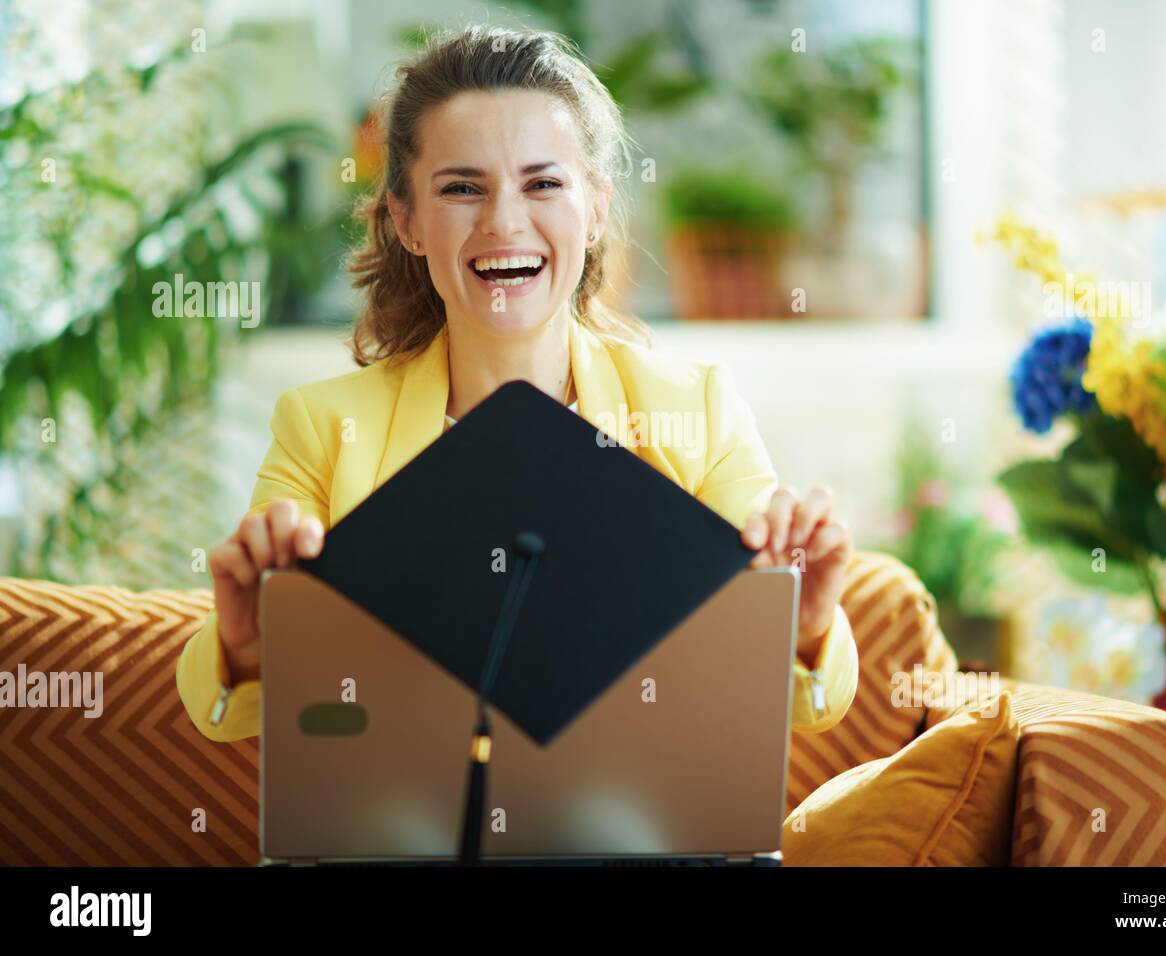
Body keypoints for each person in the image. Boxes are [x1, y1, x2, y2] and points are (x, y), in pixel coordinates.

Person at [176, 24, 858, 745]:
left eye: (543, 184)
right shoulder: (321, 427)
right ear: (407, 220)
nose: (504, 222)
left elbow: (801, 701)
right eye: (462, 188)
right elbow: (223, 711)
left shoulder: (696, 412)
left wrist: (805, 627)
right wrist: (247, 646)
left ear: (595, 210)